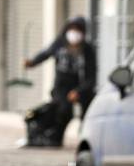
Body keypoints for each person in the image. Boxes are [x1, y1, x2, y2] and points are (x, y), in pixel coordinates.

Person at [23, 16, 97, 147]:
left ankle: (86, 138)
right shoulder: (60, 44)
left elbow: (91, 77)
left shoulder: (88, 50)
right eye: (72, 29)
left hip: (81, 86)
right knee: (62, 110)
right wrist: (32, 62)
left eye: (78, 30)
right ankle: (55, 138)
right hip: (62, 86)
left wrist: (79, 91)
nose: (74, 34)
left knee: (88, 110)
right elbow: (46, 54)